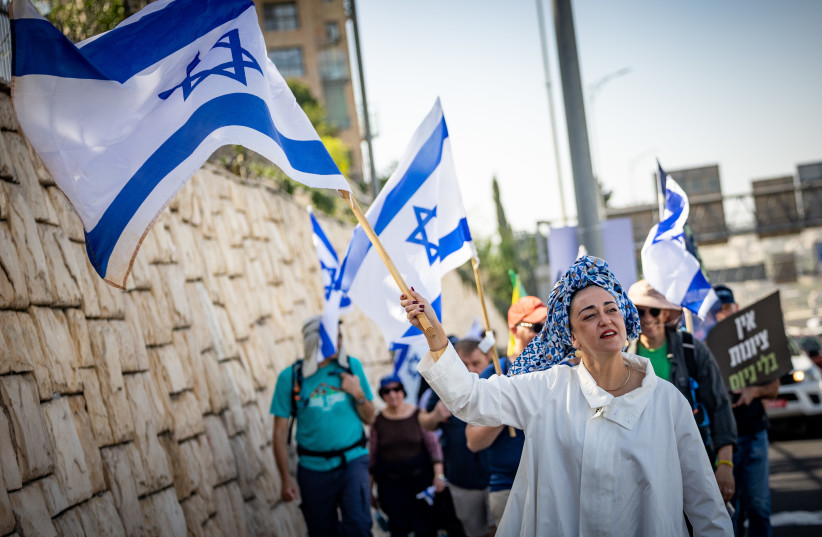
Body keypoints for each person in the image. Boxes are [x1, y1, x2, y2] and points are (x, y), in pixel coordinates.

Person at [402, 256, 732, 536]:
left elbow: (704, 503)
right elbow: (470, 399)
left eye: (611, 309)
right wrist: (434, 332)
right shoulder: (547, 389)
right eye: (589, 315)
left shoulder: (667, 402)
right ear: (571, 336)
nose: (604, 319)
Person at [626, 279, 737, 506]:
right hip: (644, 467)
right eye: (640, 311)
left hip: (693, 459)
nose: (647, 318)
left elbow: (719, 407)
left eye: (654, 310)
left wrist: (725, 466)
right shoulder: (623, 356)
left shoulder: (692, 350)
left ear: (665, 314)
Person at [270, 316, 375, 537]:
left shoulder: (351, 368)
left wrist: (357, 393)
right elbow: (279, 433)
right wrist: (285, 478)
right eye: (331, 337)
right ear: (314, 341)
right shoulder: (290, 378)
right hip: (313, 470)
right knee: (321, 532)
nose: (337, 343)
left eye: (339, 337)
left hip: (353, 463)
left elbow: (370, 418)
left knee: (359, 527)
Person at [464, 296, 545, 525]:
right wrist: (507, 407)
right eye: (536, 327)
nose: (543, 333)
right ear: (514, 329)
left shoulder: (560, 370)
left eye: (547, 325)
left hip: (556, 483)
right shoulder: (494, 373)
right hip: (508, 486)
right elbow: (473, 441)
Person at [713, 284, 780, 537]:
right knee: (730, 512)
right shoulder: (707, 345)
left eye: (727, 308)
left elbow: (773, 387)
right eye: (718, 310)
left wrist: (754, 391)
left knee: (759, 508)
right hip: (722, 443)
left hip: (753, 436)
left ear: (737, 309)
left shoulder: (753, 343)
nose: (723, 314)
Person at [419, 339, 495, 537]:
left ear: (488, 358)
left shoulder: (499, 380)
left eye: (476, 363)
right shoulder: (446, 387)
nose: (470, 369)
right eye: (464, 364)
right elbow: (425, 422)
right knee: (474, 532)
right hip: (463, 478)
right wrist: (436, 415)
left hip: (498, 476)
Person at [369, 374, 445, 537]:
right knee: (399, 528)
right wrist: (369, 490)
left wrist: (439, 475)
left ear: (403, 391)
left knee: (426, 527)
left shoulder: (417, 414)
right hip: (392, 486)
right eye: (387, 391)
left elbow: (434, 447)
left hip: (420, 482)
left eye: (396, 389)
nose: (392, 394)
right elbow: (372, 458)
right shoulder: (378, 421)